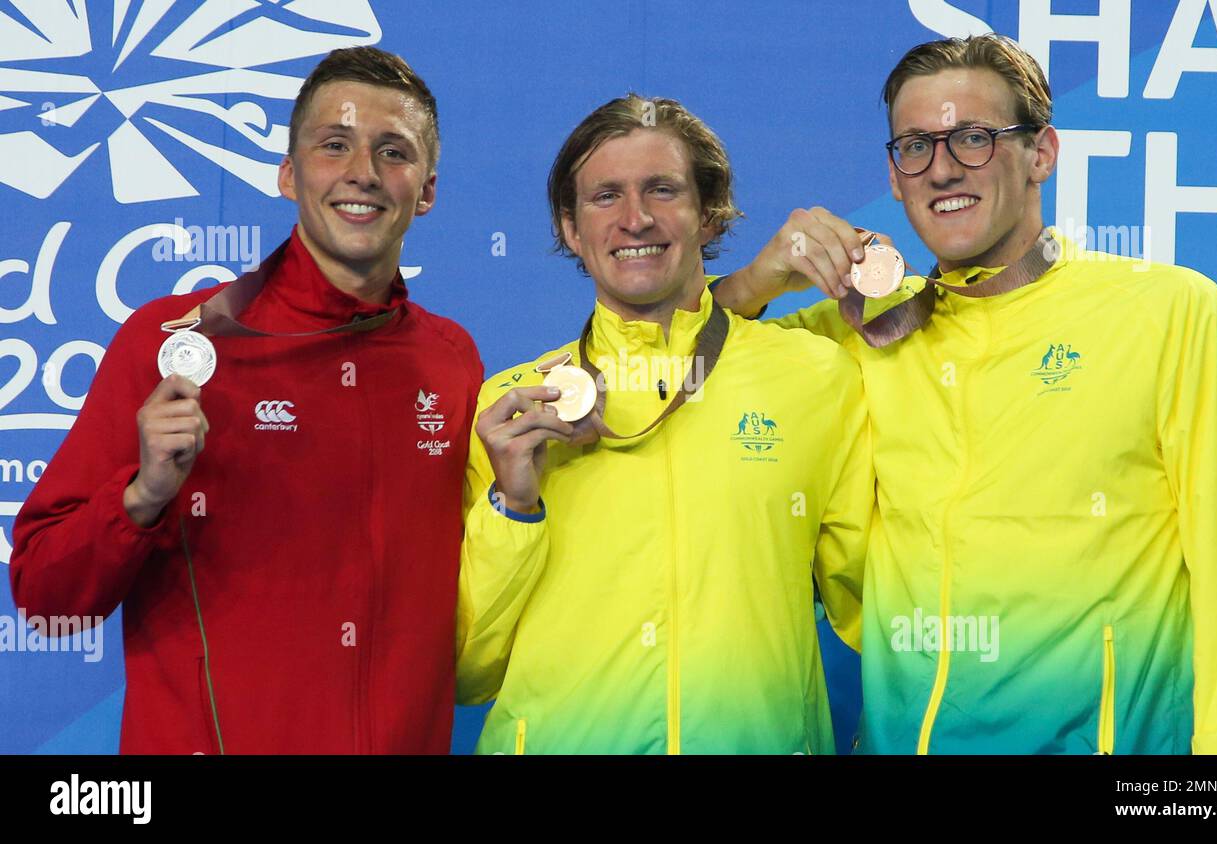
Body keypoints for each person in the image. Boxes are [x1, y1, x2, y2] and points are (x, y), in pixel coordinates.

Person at [714, 34, 1217, 754]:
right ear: (893, 178)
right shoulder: (860, 330)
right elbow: (675, 385)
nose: (941, 168)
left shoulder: (1169, 312)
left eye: (974, 138)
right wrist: (754, 284)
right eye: (916, 146)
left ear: (1042, 154)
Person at [9, 47, 482, 754]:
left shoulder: (452, 362)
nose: (363, 173)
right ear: (289, 175)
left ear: (429, 189)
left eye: (394, 151)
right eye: (334, 145)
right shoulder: (168, 343)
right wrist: (140, 497)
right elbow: (45, 599)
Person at [455, 94, 871, 754]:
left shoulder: (815, 377)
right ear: (570, 228)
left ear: (708, 214)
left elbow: (876, 608)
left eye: (662, 190)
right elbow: (467, 673)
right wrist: (514, 505)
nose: (635, 218)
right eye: (605, 197)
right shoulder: (507, 411)